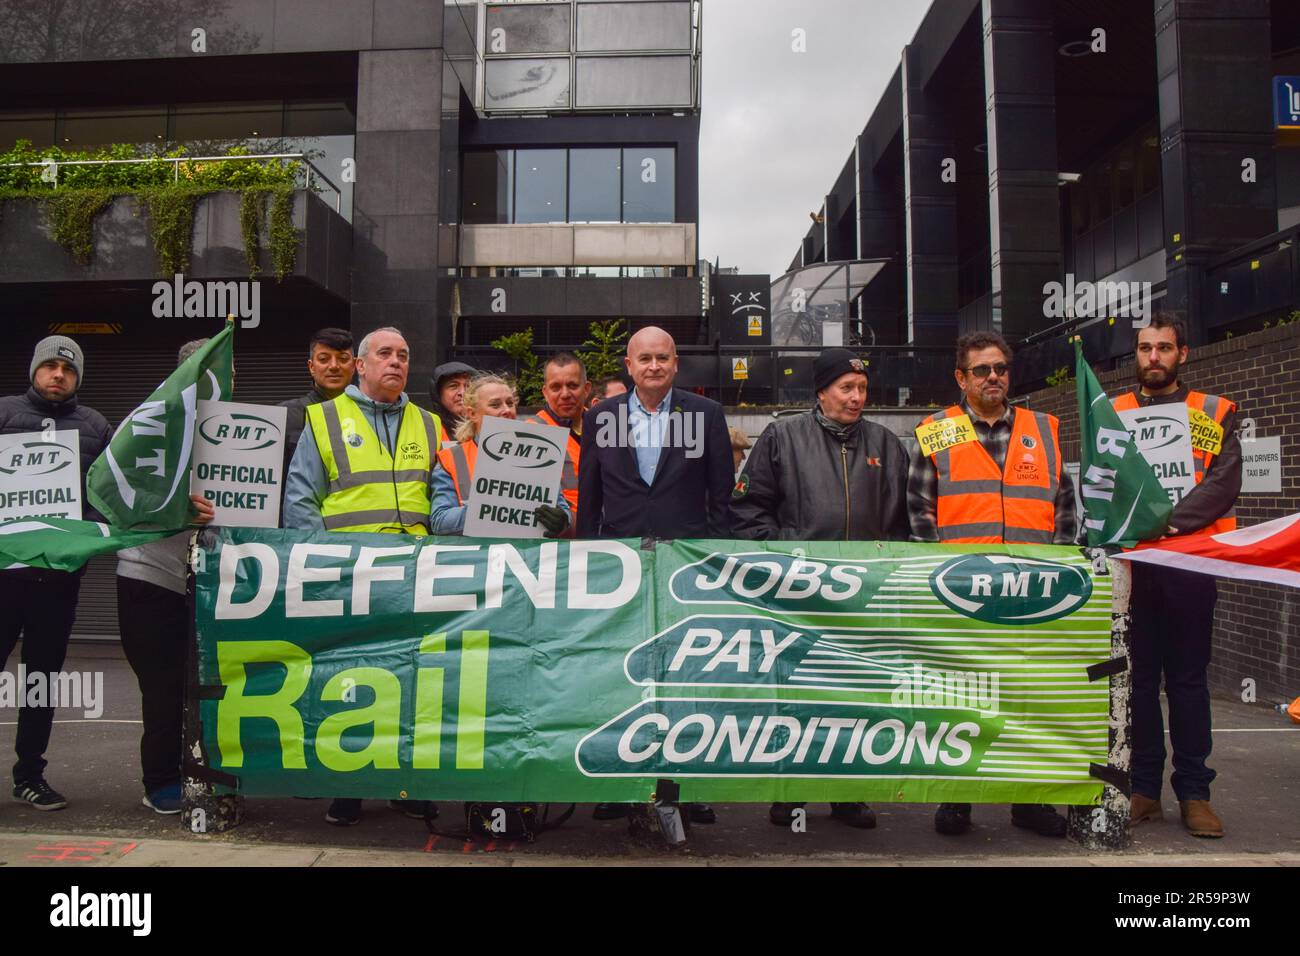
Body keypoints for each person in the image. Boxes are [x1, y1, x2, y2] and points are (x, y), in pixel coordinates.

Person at [731, 347, 910, 831]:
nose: (857, 398)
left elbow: (902, 524)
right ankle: (790, 793)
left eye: (863, 390)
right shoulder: (781, 437)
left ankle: (847, 793)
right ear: (822, 391)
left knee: (854, 698)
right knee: (796, 696)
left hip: (862, 601)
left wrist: (884, 571)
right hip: (799, 596)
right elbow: (747, 511)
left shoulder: (886, 444)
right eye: (846, 388)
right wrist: (786, 557)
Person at [908, 330, 1078, 838]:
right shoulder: (935, 431)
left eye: (1000, 368)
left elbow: (1065, 509)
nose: (993, 377)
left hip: (1033, 594)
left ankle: (1029, 799)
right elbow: (919, 513)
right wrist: (935, 581)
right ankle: (957, 797)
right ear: (961, 378)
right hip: (963, 593)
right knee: (963, 697)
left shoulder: (1043, 428)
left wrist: (1059, 571)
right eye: (981, 370)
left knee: (1029, 698)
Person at [283, 326, 443, 826]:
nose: (396, 363)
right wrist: (322, 565)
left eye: (404, 355)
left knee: (414, 684)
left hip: (414, 574)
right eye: (385, 354)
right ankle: (347, 789)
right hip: (350, 573)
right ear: (361, 365)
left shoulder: (430, 422)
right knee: (349, 685)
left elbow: (443, 497)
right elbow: (300, 499)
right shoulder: (324, 418)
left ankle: (407, 785)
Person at [578, 326, 733, 824]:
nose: (653, 366)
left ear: (676, 362)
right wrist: (589, 559)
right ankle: (618, 787)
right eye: (644, 358)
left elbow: (721, 498)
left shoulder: (705, 415)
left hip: (682, 565)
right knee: (618, 675)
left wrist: (716, 561)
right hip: (620, 565)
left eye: (663, 357)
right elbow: (591, 497)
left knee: (685, 678)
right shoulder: (601, 416)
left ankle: (684, 787)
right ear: (628, 364)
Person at [1113, 313, 1241, 839]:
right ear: (1136, 355)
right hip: (1135, 569)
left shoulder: (1212, 412)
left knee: (1187, 683)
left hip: (1190, 565)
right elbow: (1102, 479)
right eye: (1145, 349)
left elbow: (1223, 483)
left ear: (1182, 354)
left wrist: (1167, 523)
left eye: (1164, 348)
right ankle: (1144, 790)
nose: (1154, 358)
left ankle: (1194, 794)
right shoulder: (1114, 412)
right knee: (1139, 684)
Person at [0, 336, 112, 810]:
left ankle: (30, 775)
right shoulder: (4, 413)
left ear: (78, 376)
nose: (58, 375)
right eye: (49, 366)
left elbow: (109, 494)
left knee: (41, 680)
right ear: (34, 370)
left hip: (58, 580)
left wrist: (89, 538)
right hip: (3, 576)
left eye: (67, 368)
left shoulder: (96, 426)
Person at [114, 340, 217, 814]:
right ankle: (160, 779)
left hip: (210, 583)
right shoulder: (149, 425)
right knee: (161, 688)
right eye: (203, 369)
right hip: (150, 576)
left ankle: (204, 774)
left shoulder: (235, 430)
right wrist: (179, 508)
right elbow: (120, 496)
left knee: (208, 689)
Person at [431, 373, 570, 536]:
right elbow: (439, 521)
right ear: (472, 413)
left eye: (510, 403)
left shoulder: (540, 453)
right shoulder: (452, 458)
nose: (507, 410)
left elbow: (563, 509)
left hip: (528, 556)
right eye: (495, 405)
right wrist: (491, 509)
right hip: (478, 556)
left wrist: (561, 520)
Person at [522, 353, 589, 528]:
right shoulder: (530, 433)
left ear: (587, 389)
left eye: (573, 385)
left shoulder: (603, 427)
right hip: (558, 539)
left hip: (607, 534)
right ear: (545, 392)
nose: (565, 394)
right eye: (556, 387)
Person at [278, 328, 354, 481]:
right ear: (311, 367)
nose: (334, 366)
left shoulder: (368, 415)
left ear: (354, 365)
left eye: (343, 359)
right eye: (324, 359)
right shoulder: (283, 416)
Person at [428, 361, 476, 445]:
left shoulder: (486, 427)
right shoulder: (428, 428)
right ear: (438, 394)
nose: (462, 392)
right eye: (453, 386)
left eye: (468, 386)